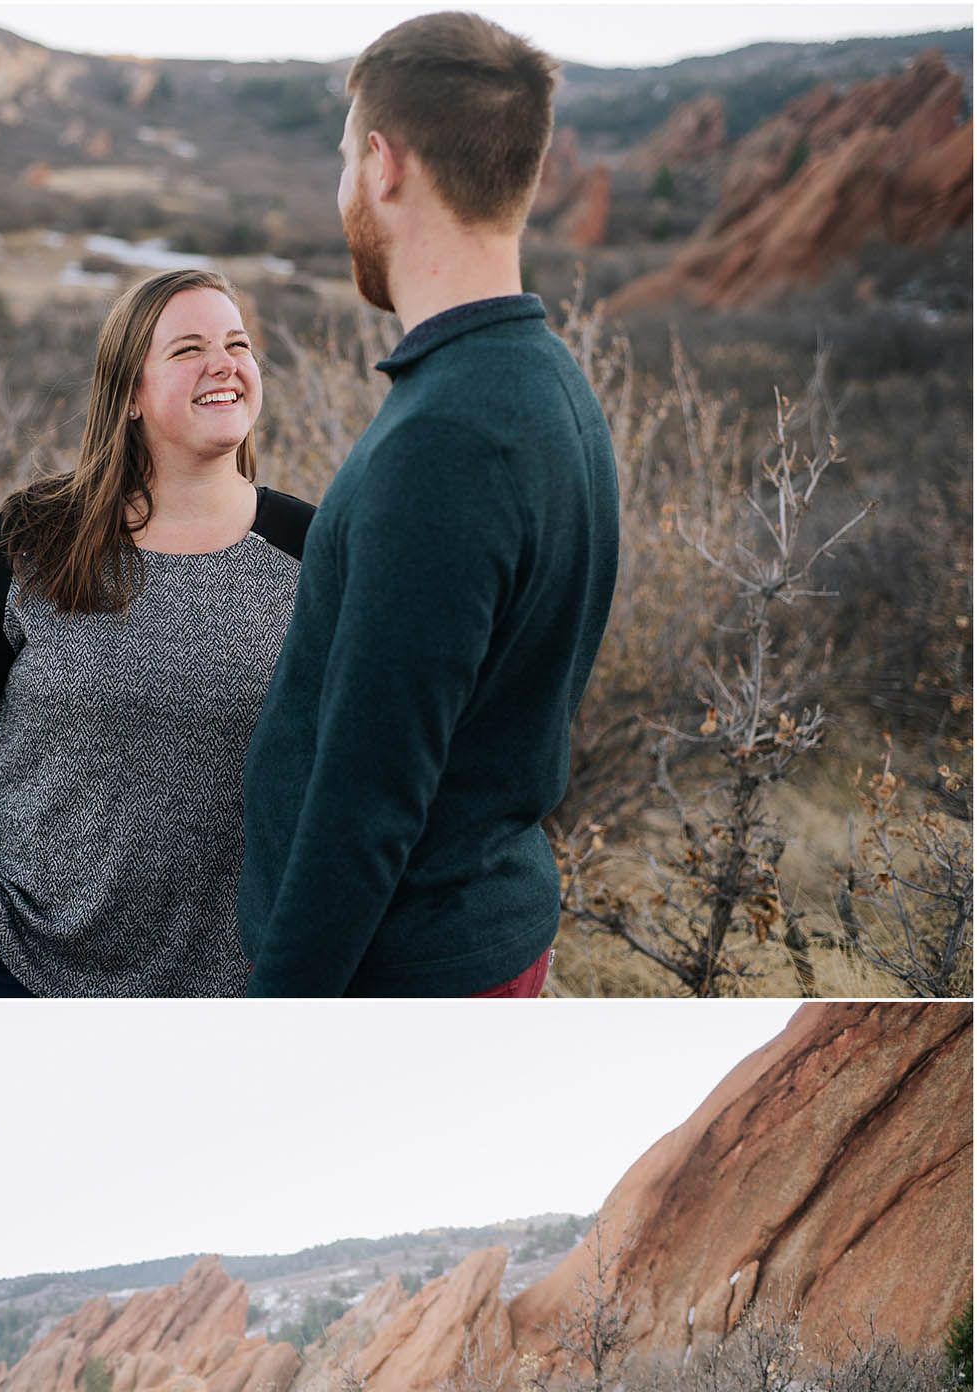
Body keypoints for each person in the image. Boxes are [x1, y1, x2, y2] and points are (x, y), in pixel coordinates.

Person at [238, 10, 620, 997]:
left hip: (397, 975)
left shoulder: (446, 440)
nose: (342, 191)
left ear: (382, 164)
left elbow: (367, 803)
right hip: (473, 941)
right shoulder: (543, 383)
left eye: (341, 161)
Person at [0, 269, 315, 998]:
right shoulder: (36, 534)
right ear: (129, 396)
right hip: (26, 954)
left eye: (237, 343)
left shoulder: (314, 550)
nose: (224, 363)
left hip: (236, 979)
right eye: (188, 349)